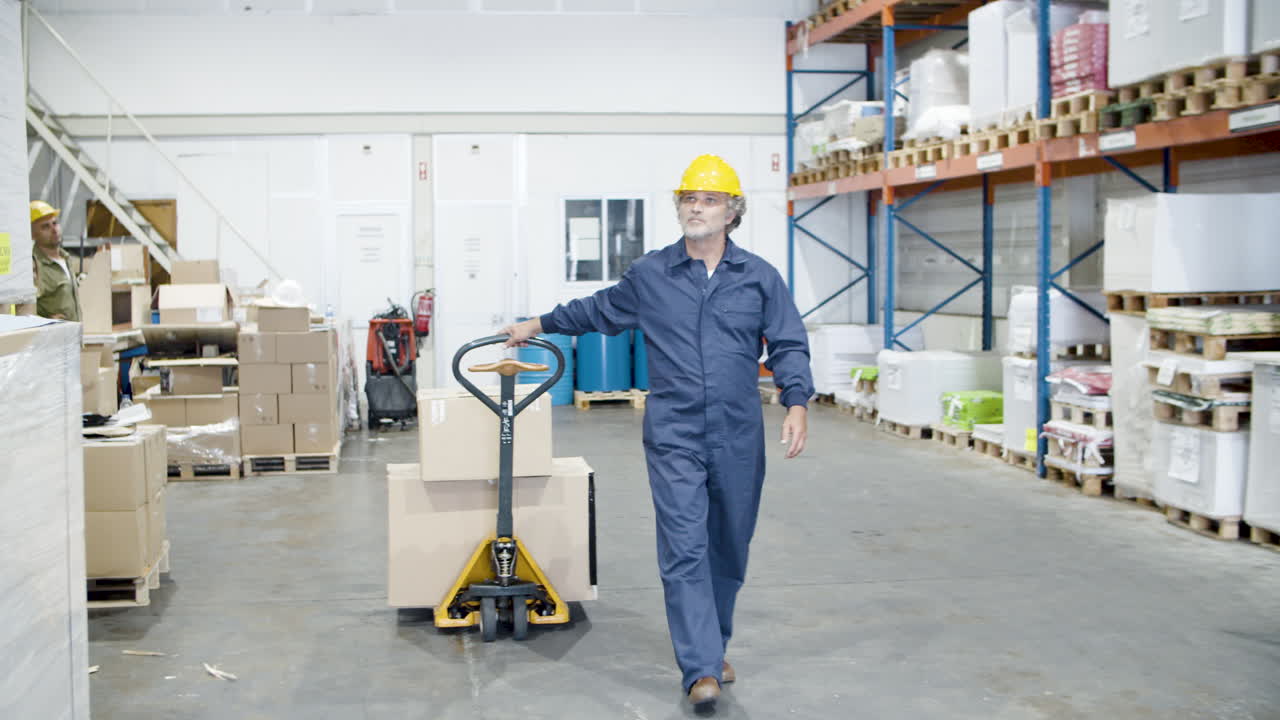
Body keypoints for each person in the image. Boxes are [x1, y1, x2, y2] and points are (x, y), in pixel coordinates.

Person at [502, 155, 814, 708]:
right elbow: (599, 309)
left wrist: (796, 401)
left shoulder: (760, 277)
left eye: (709, 198)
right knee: (684, 545)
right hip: (674, 430)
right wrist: (538, 324)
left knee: (730, 543)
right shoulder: (652, 274)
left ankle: (712, 644)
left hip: (738, 430)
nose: (696, 206)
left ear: (732, 212)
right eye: (688, 197)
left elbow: (787, 341)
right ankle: (699, 668)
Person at [29, 200, 81, 322]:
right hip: (55, 338)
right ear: (32, 234)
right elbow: (23, 311)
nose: (54, 229)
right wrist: (46, 321)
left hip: (74, 337)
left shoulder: (66, 258)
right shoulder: (34, 265)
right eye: (45, 226)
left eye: (55, 223)